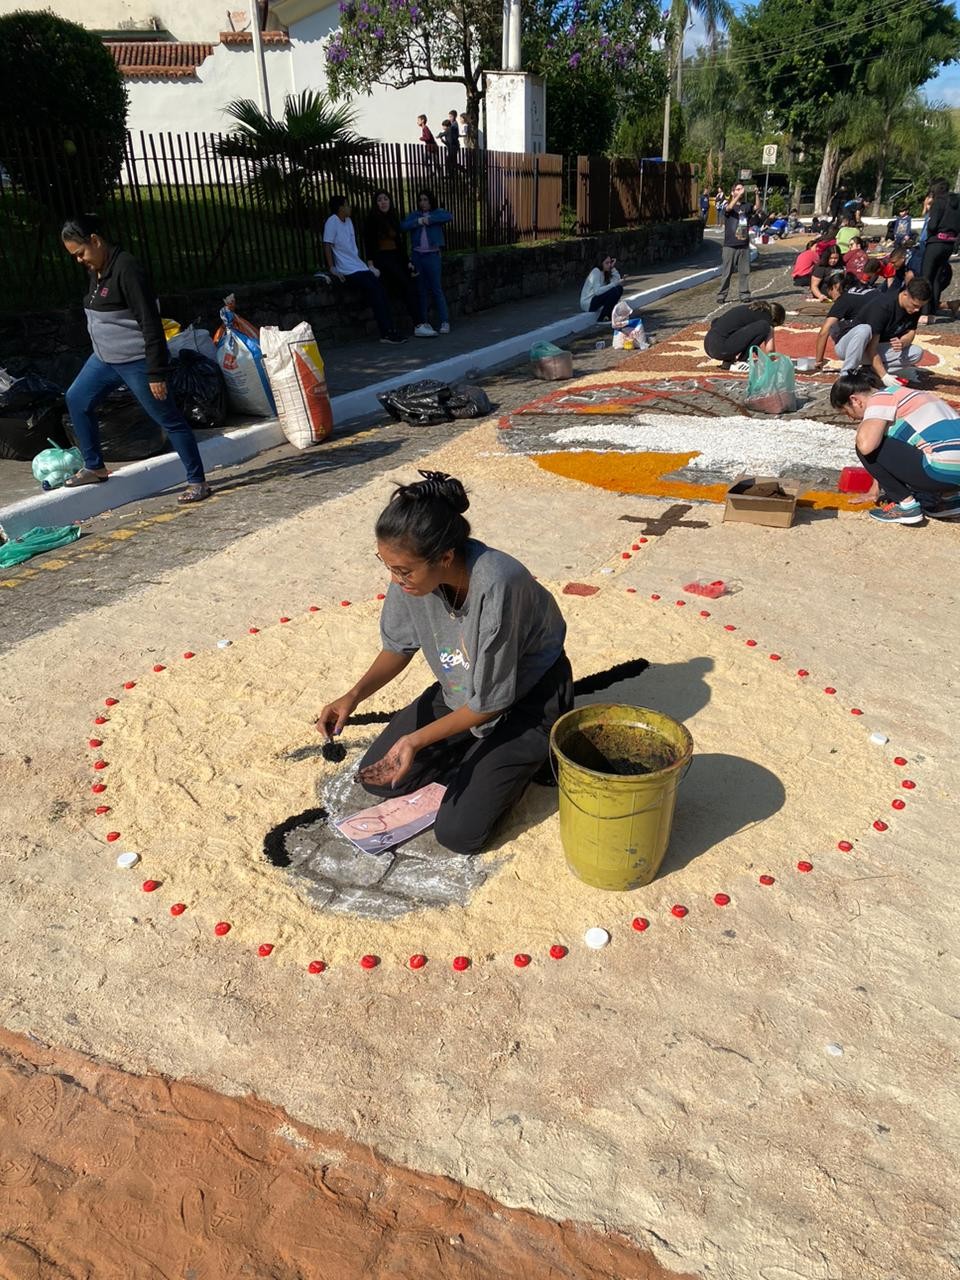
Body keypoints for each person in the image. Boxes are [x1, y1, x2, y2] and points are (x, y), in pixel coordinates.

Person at [316, 471, 574, 855]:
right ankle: (472, 751)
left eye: (402, 571)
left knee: (459, 834)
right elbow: (399, 646)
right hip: (464, 686)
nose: (395, 579)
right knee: (378, 780)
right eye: (386, 566)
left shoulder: (500, 582)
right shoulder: (411, 573)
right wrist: (352, 696)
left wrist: (415, 739)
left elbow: (492, 702)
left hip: (527, 695)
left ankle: (532, 753)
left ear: (446, 557)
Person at [59, 215, 211, 503]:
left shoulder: (127, 269)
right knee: (76, 399)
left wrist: (156, 372)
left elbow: (151, 323)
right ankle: (95, 466)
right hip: (104, 360)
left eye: (80, 253)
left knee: (168, 419)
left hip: (137, 362)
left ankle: (197, 480)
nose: (79, 260)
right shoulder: (97, 267)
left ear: (95, 240)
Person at [830, 370, 960, 524]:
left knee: (863, 444)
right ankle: (951, 500)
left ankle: (907, 507)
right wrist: (875, 489)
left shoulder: (880, 398)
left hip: (939, 470)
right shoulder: (913, 394)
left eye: (847, 411)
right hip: (954, 472)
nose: (851, 418)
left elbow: (866, 446)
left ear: (855, 400)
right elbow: (896, 451)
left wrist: (864, 424)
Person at [324, 195, 406, 345]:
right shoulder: (332, 222)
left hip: (358, 265)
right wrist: (332, 268)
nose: (350, 207)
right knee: (375, 291)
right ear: (341, 208)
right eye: (347, 204)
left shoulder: (348, 222)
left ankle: (390, 329)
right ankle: (386, 332)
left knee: (381, 290)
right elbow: (328, 245)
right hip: (348, 269)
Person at [823, 277, 930, 380]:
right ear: (905, 294)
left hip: (872, 349)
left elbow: (911, 330)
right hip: (849, 346)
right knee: (864, 330)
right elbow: (871, 348)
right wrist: (884, 376)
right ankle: (847, 376)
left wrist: (903, 342)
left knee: (916, 352)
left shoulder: (914, 308)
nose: (917, 310)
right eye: (915, 305)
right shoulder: (884, 306)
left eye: (920, 307)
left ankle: (869, 372)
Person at [363, 191, 434, 338]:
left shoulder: (392, 218)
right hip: (382, 258)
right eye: (379, 200)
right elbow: (369, 242)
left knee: (410, 286)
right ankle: (417, 324)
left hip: (396, 256)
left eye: (386, 199)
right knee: (403, 286)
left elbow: (399, 243)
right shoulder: (372, 219)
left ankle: (419, 323)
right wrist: (370, 263)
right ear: (375, 203)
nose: (383, 202)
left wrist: (407, 261)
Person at [400, 190, 453, 334]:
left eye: (425, 200)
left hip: (432, 256)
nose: (423, 202)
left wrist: (429, 219)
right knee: (421, 290)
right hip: (418, 256)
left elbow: (448, 216)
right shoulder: (415, 215)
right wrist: (418, 221)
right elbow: (403, 226)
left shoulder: (436, 213)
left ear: (431, 201)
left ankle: (444, 321)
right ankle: (424, 322)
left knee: (436, 289)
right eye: (421, 200)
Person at [813, 274, 878, 369]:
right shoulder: (875, 292)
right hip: (881, 350)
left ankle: (848, 371)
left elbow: (824, 331)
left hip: (859, 350)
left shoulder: (845, 298)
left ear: (835, 287)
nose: (832, 297)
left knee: (836, 326)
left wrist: (818, 361)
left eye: (830, 293)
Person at [920, 178, 960, 320]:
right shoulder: (956, 203)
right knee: (937, 277)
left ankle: (924, 313)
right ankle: (933, 310)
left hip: (936, 241)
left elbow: (932, 226)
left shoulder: (939, 202)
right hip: (949, 243)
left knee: (926, 276)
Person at [716, 181, 762, 304]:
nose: (741, 190)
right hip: (730, 244)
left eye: (742, 189)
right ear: (732, 192)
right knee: (727, 272)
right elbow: (728, 209)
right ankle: (722, 295)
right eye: (737, 189)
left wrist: (757, 195)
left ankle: (744, 294)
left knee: (745, 272)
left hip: (744, 244)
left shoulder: (746, 206)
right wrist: (736, 197)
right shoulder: (729, 205)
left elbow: (757, 208)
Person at [704, 300, 785, 368]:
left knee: (730, 329)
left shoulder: (750, 310)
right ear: (775, 320)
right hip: (720, 349)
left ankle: (728, 362)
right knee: (763, 326)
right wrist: (773, 360)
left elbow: (749, 340)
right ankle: (741, 361)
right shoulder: (767, 320)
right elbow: (770, 349)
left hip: (708, 344)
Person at [580, 254, 623, 320]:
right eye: (607, 263)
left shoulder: (605, 272)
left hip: (595, 299)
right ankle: (603, 317)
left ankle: (609, 314)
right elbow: (597, 291)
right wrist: (613, 284)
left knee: (619, 288)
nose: (609, 265)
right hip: (588, 302)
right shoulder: (596, 271)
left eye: (610, 262)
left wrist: (612, 268)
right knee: (613, 290)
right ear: (601, 263)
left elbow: (617, 280)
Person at [438, 109, 460, 175]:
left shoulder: (454, 125)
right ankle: (452, 174)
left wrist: (440, 134)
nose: (449, 118)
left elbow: (447, 132)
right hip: (451, 146)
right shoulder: (453, 124)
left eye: (451, 116)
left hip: (453, 146)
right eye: (449, 116)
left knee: (451, 162)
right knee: (452, 162)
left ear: (455, 116)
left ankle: (453, 174)